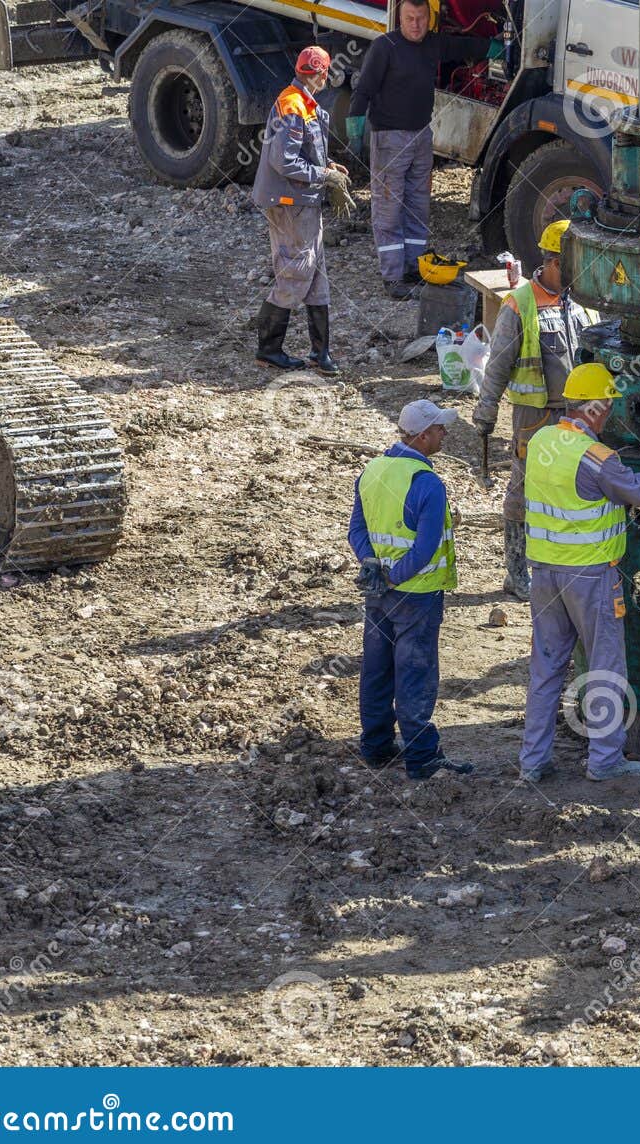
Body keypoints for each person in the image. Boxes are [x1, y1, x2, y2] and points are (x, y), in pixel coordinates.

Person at [518, 364, 640, 784]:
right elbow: (637, 492)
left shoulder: (542, 440)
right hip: (590, 577)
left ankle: (532, 762)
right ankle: (603, 760)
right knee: (604, 668)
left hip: (544, 573)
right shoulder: (597, 457)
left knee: (546, 668)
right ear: (596, 409)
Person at [349, 398, 475, 780]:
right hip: (416, 593)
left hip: (378, 593)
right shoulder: (428, 483)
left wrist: (372, 566)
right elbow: (425, 548)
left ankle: (375, 745)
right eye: (439, 429)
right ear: (422, 436)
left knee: (377, 667)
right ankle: (421, 755)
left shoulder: (371, 470)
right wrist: (395, 576)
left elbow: (357, 530)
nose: (444, 434)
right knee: (415, 672)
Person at [474, 219, 594, 600]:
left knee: (571, 489)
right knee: (524, 491)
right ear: (555, 261)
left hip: (578, 416)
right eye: (575, 264)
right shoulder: (520, 305)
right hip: (536, 417)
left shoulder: (582, 299)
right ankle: (515, 571)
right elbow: (498, 364)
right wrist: (486, 409)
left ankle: (559, 564)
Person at [347, 0, 494, 299]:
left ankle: (414, 268)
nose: (416, 24)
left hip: (421, 137)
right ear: (399, 18)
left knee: (417, 204)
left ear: (430, 18)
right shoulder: (384, 47)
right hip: (390, 139)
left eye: (421, 18)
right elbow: (363, 91)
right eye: (409, 18)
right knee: (388, 209)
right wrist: (354, 130)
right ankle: (393, 277)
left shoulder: (432, 44)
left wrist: (495, 48)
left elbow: (463, 47)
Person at [252, 46, 347, 375]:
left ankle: (321, 354)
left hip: (303, 203)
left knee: (316, 275)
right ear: (321, 74)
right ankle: (269, 348)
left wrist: (329, 166)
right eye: (325, 74)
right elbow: (284, 160)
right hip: (290, 204)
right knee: (296, 273)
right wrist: (324, 175)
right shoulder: (295, 105)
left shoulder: (302, 102)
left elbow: (303, 152)